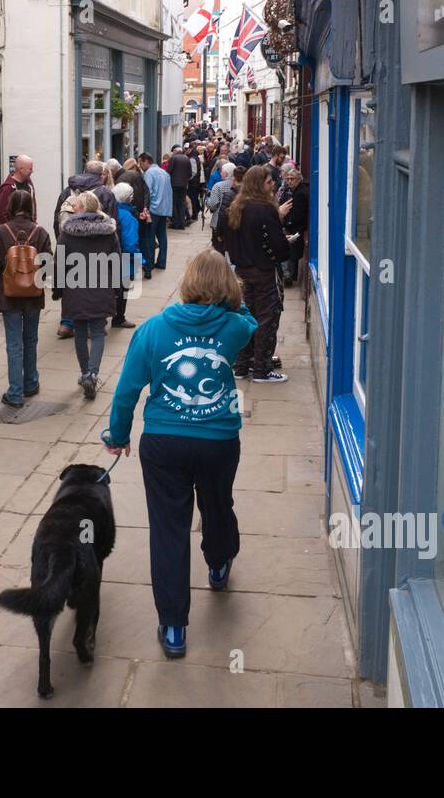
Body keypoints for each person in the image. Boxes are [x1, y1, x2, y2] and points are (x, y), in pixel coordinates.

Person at [102, 249, 257, 658]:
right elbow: (251, 321)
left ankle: (173, 627)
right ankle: (219, 562)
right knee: (218, 505)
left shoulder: (153, 329)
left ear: (186, 283)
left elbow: (127, 391)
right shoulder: (234, 328)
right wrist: (231, 301)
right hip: (218, 441)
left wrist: (117, 434)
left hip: (164, 443)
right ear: (226, 287)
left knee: (169, 528)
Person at [216, 166, 292, 384]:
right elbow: (277, 245)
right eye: (269, 182)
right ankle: (261, 369)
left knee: (244, 318)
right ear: (260, 184)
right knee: (267, 319)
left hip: (241, 272)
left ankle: (240, 366)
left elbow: (226, 240)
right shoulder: (265, 209)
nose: (273, 186)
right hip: (264, 272)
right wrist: (285, 246)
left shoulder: (235, 207)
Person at [0, 189, 54, 407]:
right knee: (31, 339)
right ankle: (31, 383)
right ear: (31, 207)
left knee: (14, 344)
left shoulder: (0, 232)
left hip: (9, 296)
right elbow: (49, 267)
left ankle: (15, 393)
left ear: (10, 207)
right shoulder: (40, 233)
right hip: (33, 296)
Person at [53, 192, 121, 400]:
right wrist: (117, 289)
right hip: (101, 287)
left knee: (80, 331)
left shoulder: (68, 233)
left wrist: (58, 289)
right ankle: (93, 373)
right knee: (98, 332)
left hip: (76, 289)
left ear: (81, 208)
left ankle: (85, 373)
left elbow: (60, 263)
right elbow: (116, 262)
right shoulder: (109, 232)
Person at [53, 160, 119, 339]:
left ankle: (67, 323)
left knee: (71, 283)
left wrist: (61, 239)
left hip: (69, 241)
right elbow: (113, 222)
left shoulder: (68, 190)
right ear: (101, 175)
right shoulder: (105, 192)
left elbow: (56, 217)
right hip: (98, 247)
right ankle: (95, 323)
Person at [112, 182, 141, 329]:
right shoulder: (127, 216)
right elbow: (130, 243)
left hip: (110, 256)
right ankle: (119, 318)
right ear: (128, 198)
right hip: (124, 258)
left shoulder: (111, 211)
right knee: (123, 289)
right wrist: (138, 259)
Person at [141, 152, 172, 277]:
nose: (140, 166)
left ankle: (149, 264)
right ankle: (162, 261)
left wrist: (145, 209)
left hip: (154, 208)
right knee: (162, 236)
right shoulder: (164, 172)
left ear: (146, 161)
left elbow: (147, 192)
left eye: (140, 162)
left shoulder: (149, 173)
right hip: (164, 208)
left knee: (149, 237)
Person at [280, 167, 309, 287]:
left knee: (292, 253)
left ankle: (290, 276)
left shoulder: (301, 193)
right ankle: (290, 275)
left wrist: (287, 223)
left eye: (292, 179)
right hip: (292, 226)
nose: (289, 181)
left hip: (296, 228)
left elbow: (299, 214)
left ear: (298, 180)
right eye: (288, 179)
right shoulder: (292, 190)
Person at [0, 154, 36, 227]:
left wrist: (33, 226)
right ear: (20, 169)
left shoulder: (30, 185)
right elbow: (0, 214)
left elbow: (33, 209)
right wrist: (10, 232)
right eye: (30, 169)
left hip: (28, 232)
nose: (32, 171)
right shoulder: (7, 188)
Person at [168, 147, 192, 229]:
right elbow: (190, 174)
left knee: (174, 203)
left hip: (174, 184)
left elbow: (169, 171)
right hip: (184, 184)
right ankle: (182, 223)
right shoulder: (187, 158)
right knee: (182, 203)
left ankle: (175, 222)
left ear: (175, 152)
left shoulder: (173, 158)